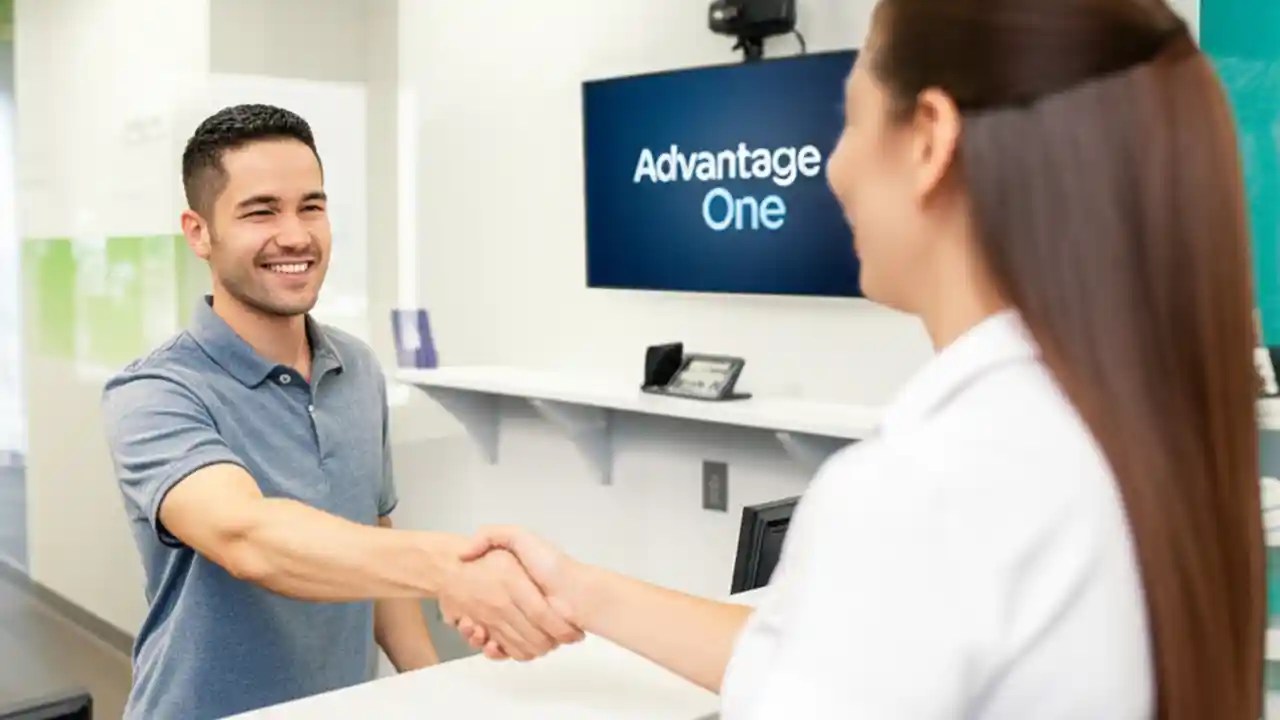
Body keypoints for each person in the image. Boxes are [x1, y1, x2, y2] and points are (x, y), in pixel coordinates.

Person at [453, 1, 1265, 718]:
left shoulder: (920, 490)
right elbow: (834, 661)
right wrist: (583, 590)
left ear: (929, 140)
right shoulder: (1117, 426)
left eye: (848, 120)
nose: (833, 167)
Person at [100, 104, 580, 720]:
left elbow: (374, 541)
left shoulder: (356, 368)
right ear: (199, 232)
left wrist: (433, 689)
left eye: (312, 206)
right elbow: (249, 538)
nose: (296, 234)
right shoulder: (155, 391)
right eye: (261, 210)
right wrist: (452, 569)